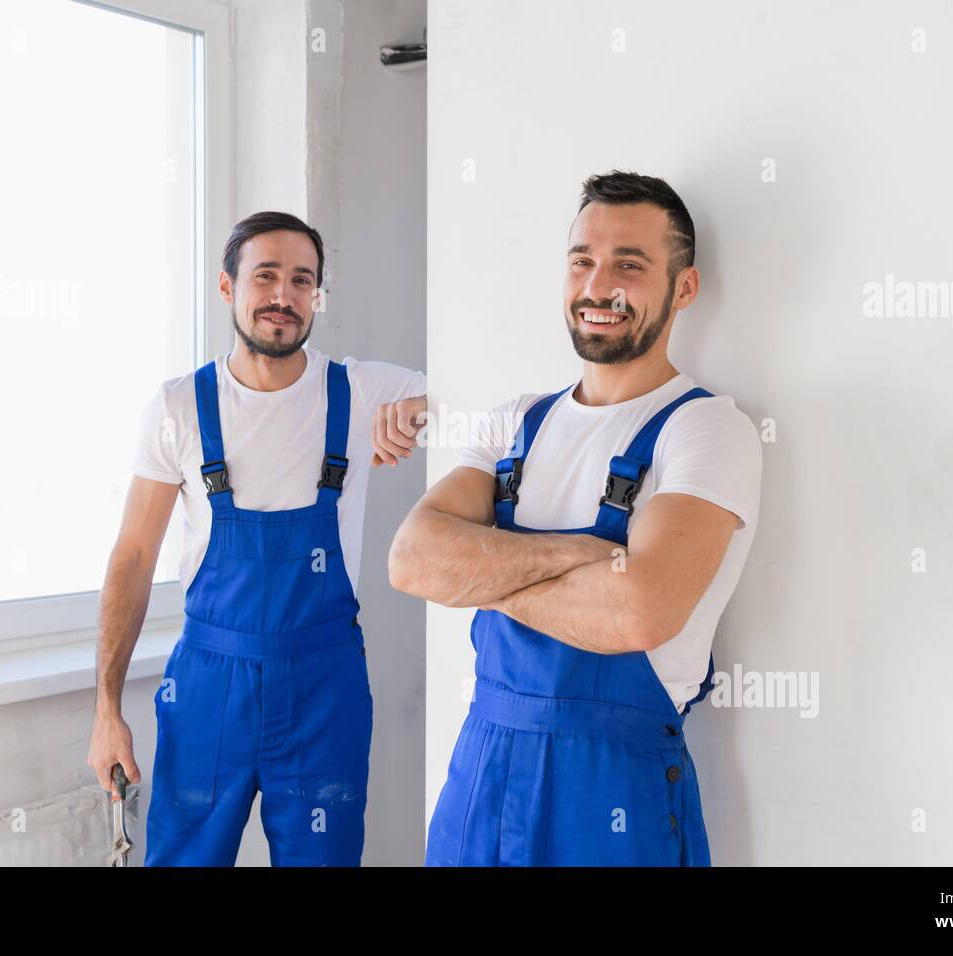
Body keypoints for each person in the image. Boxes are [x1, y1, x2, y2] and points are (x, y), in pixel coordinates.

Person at [391, 171, 761, 866]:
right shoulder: (513, 422)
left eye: (630, 264)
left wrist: (481, 565)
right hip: (480, 778)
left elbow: (638, 612)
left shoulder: (706, 430)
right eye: (582, 261)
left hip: (613, 795)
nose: (600, 286)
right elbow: (411, 561)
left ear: (684, 288)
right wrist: (587, 558)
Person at [88, 211, 425, 866]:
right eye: (265, 276)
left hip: (325, 686)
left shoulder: (358, 390)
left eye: (303, 281)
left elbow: (484, 403)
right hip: (209, 685)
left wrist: (421, 411)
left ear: (318, 296)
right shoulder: (179, 407)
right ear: (227, 288)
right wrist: (106, 708)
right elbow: (132, 558)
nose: (283, 296)